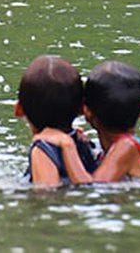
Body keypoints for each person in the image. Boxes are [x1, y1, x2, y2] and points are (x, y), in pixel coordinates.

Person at [13, 55, 99, 186]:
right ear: (82, 109)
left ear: (19, 109)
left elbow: (48, 198)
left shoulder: (43, 149)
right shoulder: (84, 143)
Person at [84, 60, 140, 180]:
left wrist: (68, 149)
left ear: (87, 113)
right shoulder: (106, 151)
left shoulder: (126, 146)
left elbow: (96, 186)